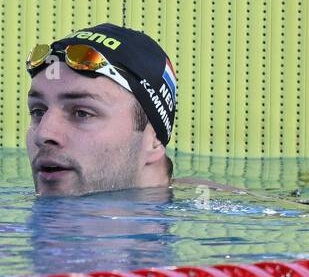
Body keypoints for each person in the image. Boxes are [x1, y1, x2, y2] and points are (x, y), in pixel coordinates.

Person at [25, 23, 196, 197]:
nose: (43, 134)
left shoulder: (212, 215)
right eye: (38, 111)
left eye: (82, 113)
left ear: (153, 140)